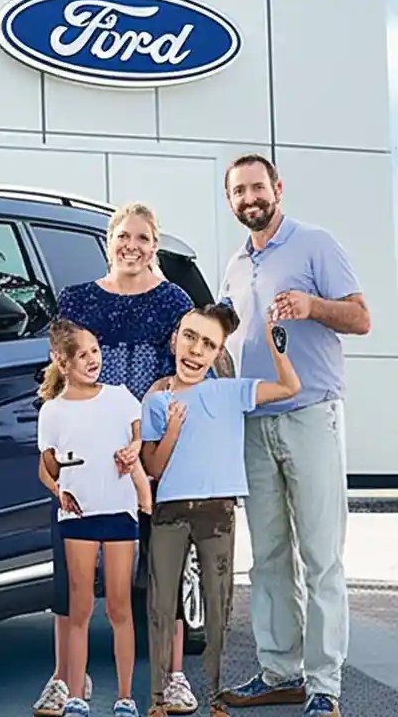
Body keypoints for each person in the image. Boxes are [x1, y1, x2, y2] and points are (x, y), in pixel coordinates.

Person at [215, 154, 370, 717]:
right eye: (239, 191)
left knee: (321, 556)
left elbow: (360, 318)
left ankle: (324, 684)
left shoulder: (316, 244)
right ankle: (281, 672)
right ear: (230, 200)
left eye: (258, 187)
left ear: (277, 188)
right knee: (270, 555)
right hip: (256, 421)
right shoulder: (235, 263)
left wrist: (311, 306)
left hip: (311, 414)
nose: (250, 198)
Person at [33, 202, 199, 717]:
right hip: (86, 455)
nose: (132, 245)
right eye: (123, 235)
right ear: (109, 241)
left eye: (143, 238)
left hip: (151, 451)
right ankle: (66, 678)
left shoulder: (175, 299)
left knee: (162, 565)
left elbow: (189, 368)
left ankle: (173, 677)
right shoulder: (77, 300)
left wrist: (158, 404)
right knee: (73, 575)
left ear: (156, 246)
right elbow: (57, 372)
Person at [141, 304, 302, 717]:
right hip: (169, 512)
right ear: (175, 338)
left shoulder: (232, 392)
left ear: (218, 355)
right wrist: (173, 428)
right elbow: (152, 466)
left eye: (208, 344)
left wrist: (275, 345)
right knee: (161, 604)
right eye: (190, 337)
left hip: (218, 514)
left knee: (218, 605)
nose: (196, 350)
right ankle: (158, 699)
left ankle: (214, 697)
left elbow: (289, 388)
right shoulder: (157, 399)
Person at [36, 318, 153, 717]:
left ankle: (125, 698)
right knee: (80, 607)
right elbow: (46, 468)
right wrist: (59, 491)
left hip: (120, 514)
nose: (92, 360)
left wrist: (133, 451)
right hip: (78, 519)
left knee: (119, 607)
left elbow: (139, 439)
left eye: (95, 351)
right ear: (62, 361)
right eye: (82, 354)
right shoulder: (52, 412)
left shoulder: (121, 398)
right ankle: (75, 698)